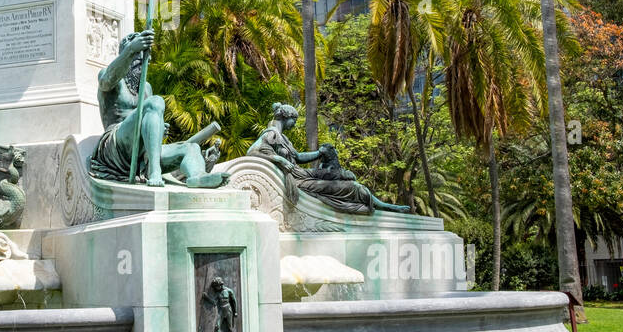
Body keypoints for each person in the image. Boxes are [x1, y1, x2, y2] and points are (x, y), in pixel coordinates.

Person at [89, 29, 226, 188]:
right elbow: (106, 82)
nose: (142, 64)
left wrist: (159, 129)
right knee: (155, 102)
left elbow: (150, 121)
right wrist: (132, 49)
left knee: (191, 147)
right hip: (116, 147)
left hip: (142, 153)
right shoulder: (109, 75)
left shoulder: (146, 87)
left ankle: (198, 176)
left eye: (144, 60)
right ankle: (154, 171)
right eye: (137, 59)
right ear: (127, 56)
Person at [248, 102, 410, 214]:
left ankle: (380, 203)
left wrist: (319, 153)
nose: (294, 124)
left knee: (340, 174)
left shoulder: (284, 138)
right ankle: (384, 206)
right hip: (297, 180)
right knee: (351, 186)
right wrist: (280, 160)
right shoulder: (271, 134)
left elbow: (298, 157)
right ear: (286, 117)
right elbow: (252, 152)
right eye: (294, 120)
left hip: (300, 174)